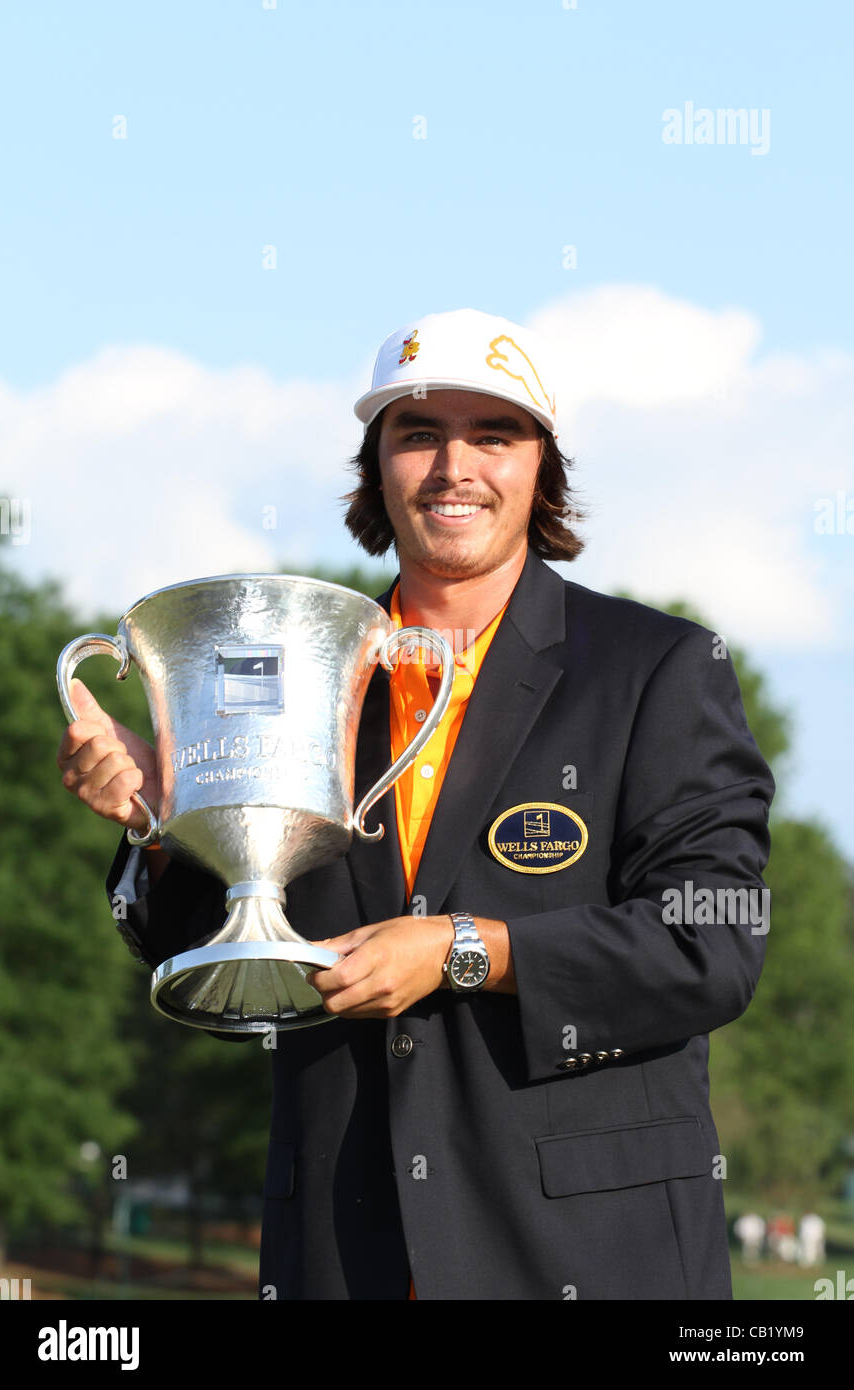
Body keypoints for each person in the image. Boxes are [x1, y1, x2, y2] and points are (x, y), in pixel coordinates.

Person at [57, 307, 775, 1300]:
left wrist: (461, 949)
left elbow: (711, 947)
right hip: (338, 1258)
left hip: (586, 1261)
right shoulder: (293, 669)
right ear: (376, 464)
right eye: (417, 433)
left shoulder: (656, 669)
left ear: (542, 465)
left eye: (493, 433)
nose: (453, 465)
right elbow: (222, 952)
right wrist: (159, 820)